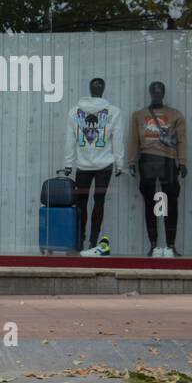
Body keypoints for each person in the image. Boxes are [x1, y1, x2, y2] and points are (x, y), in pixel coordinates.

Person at [127, 80, 187, 257]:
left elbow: (182, 139)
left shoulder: (175, 115)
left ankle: (170, 245)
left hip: (168, 160)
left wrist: (183, 162)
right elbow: (133, 140)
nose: (157, 92)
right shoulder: (138, 115)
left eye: (160, 90)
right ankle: (153, 244)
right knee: (149, 203)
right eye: (154, 90)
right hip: (147, 160)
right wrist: (131, 161)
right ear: (150, 92)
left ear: (164, 92)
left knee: (171, 204)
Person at [63, 77, 123, 256]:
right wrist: (119, 163)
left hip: (82, 165)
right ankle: (93, 241)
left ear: (90, 90)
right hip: (105, 165)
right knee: (99, 202)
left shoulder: (74, 112)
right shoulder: (114, 112)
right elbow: (117, 139)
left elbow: (69, 140)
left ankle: (80, 239)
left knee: (81, 203)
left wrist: (68, 163)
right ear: (103, 90)